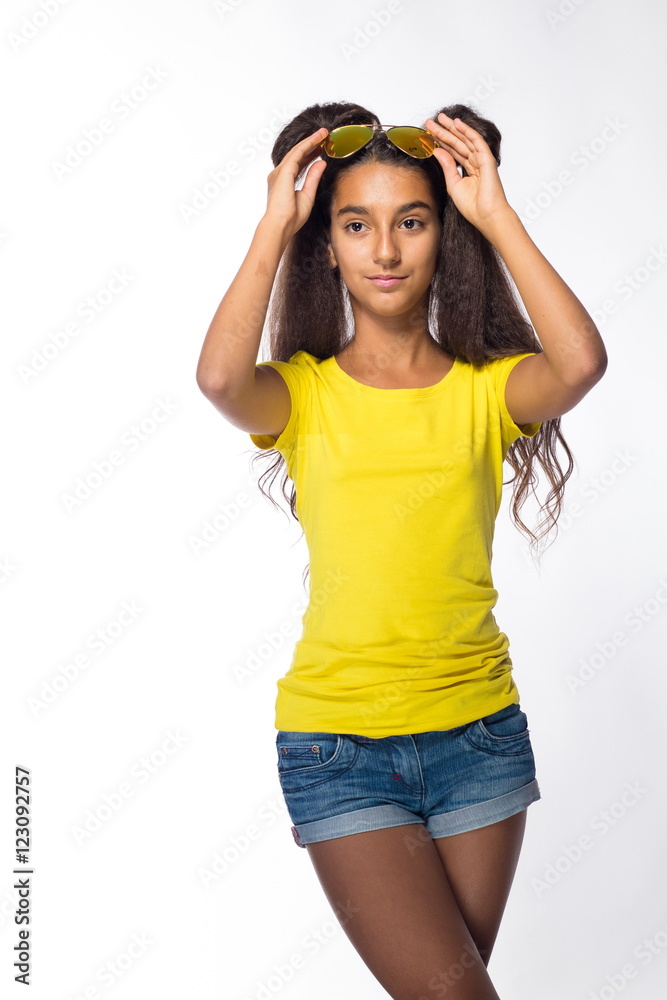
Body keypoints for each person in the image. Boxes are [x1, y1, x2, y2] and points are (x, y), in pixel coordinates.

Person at [196, 101, 607, 1000]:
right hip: (340, 746)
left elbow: (577, 364)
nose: (384, 250)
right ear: (328, 244)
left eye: (410, 221)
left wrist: (493, 213)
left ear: (440, 233)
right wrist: (274, 225)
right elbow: (220, 378)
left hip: (480, 739)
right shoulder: (300, 398)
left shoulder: (486, 395)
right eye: (356, 224)